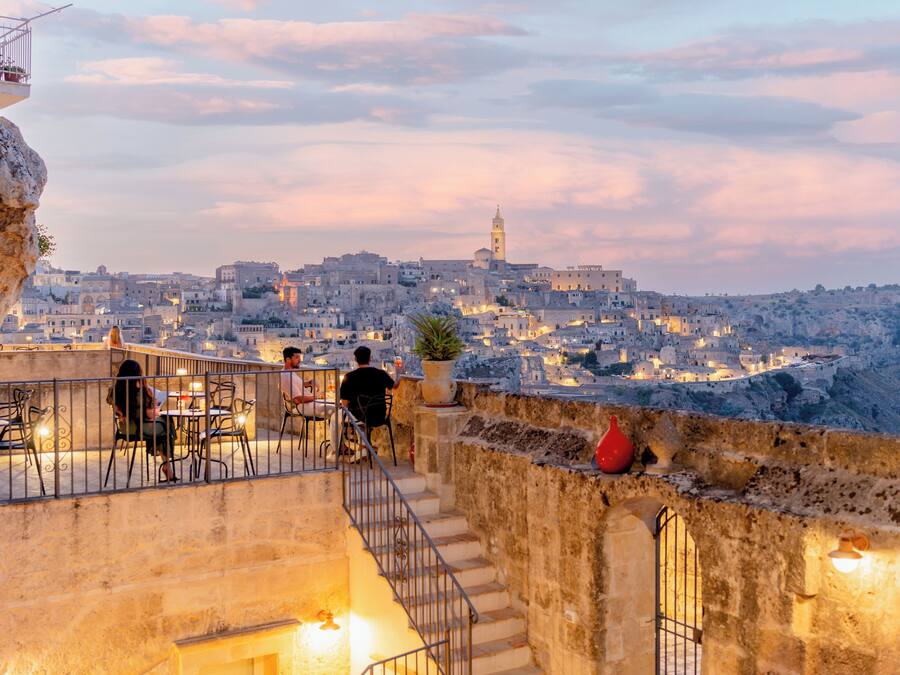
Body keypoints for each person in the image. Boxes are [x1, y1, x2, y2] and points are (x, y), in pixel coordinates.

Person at [107, 359, 178, 481]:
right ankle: (167, 466)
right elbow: (149, 415)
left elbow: (112, 404)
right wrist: (156, 406)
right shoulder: (140, 393)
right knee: (166, 424)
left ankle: (167, 467)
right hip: (140, 428)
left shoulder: (114, 390)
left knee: (161, 431)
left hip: (124, 427)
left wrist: (120, 413)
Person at [340, 346, 403, 430]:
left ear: (355, 359)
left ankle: (339, 443)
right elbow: (395, 386)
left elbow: (344, 403)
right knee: (357, 419)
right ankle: (362, 441)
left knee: (335, 418)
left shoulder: (349, 377)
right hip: (379, 416)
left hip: (360, 417)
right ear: (370, 358)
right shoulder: (381, 374)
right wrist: (399, 373)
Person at [280, 346, 336, 418]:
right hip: (302, 406)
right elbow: (298, 399)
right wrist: (316, 397)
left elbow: (296, 385)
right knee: (336, 410)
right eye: (297, 357)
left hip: (308, 403)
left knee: (337, 405)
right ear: (288, 360)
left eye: (299, 357)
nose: (300, 360)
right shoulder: (287, 376)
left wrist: (309, 383)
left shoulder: (288, 372)